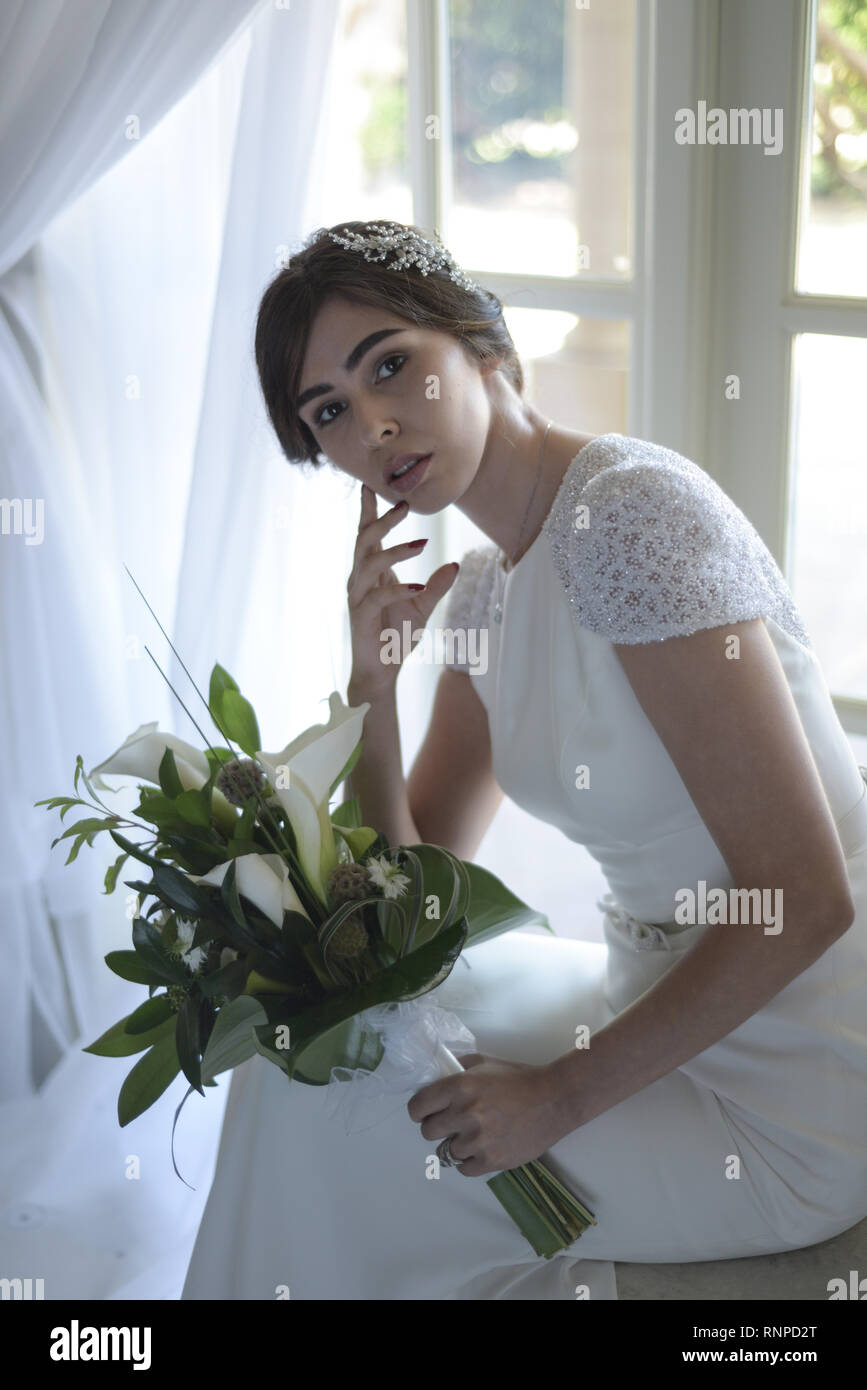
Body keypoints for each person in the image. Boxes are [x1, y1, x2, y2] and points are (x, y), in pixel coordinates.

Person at [181, 219, 867, 1300]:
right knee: (308, 1061)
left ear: (482, 343)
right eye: (331, 414)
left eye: (391, 365)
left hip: (787, 1071)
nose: (374, 425)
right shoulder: (496, 586)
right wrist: (373, 681)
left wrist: (557, 1096)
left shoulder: (633, 517)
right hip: (643, 988)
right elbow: (412, 889)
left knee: (372, 1148)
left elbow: (808, 896)